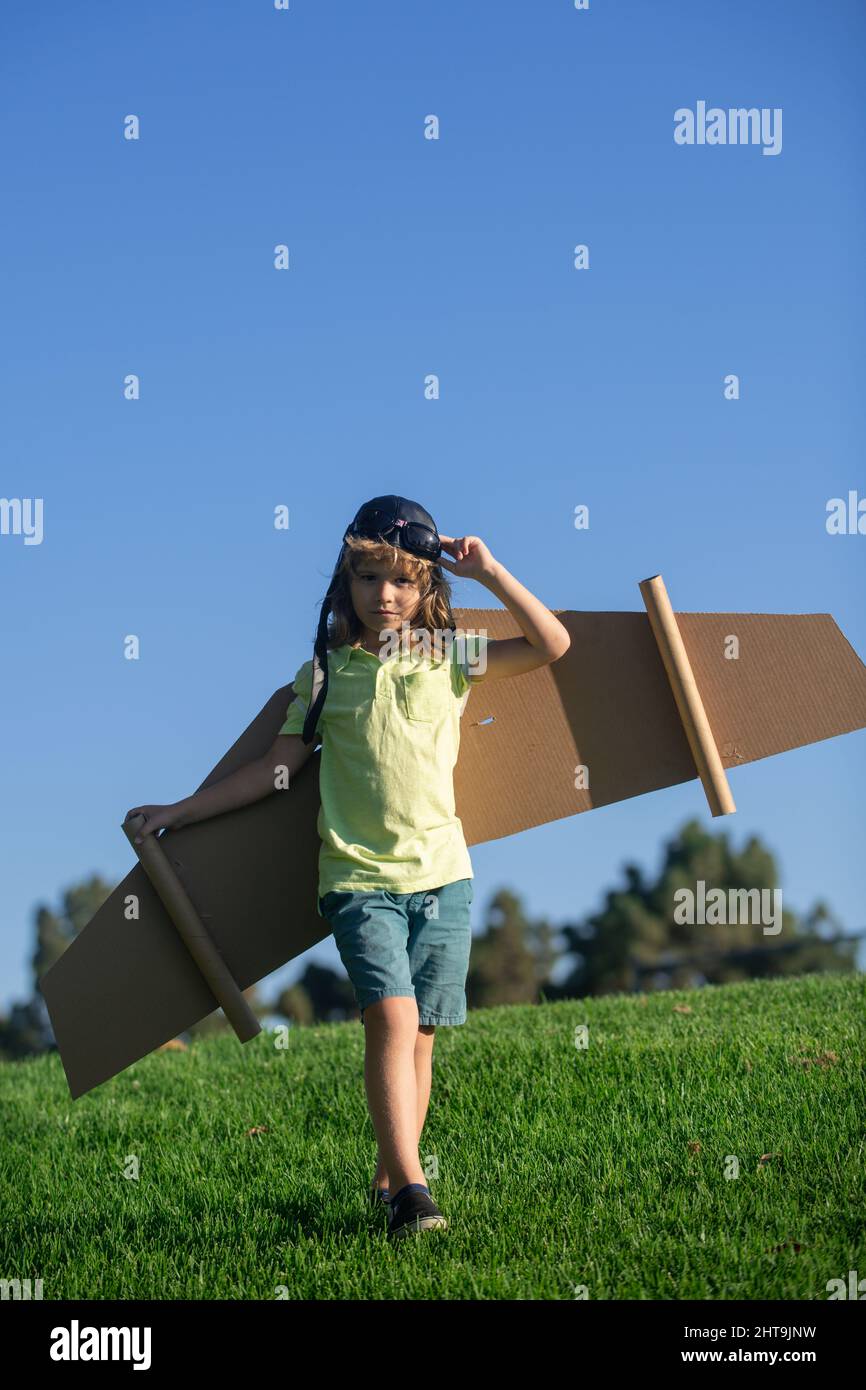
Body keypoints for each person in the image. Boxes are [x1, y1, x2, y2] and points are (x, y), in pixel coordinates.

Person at [126, 495, 570, 1241]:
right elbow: (272, 774)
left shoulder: (449, 657)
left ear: (425, 588)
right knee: (390, 1017)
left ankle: (393, 1174)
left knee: (421, 1034)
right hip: (359, 880)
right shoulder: (324, 677)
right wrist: (181, 810)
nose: (383, 594)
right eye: (368, 578)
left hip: (444, 875)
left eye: (400, 580)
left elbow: (551, 643)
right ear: (345, 584)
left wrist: (490, 572)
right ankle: (413, 1194)